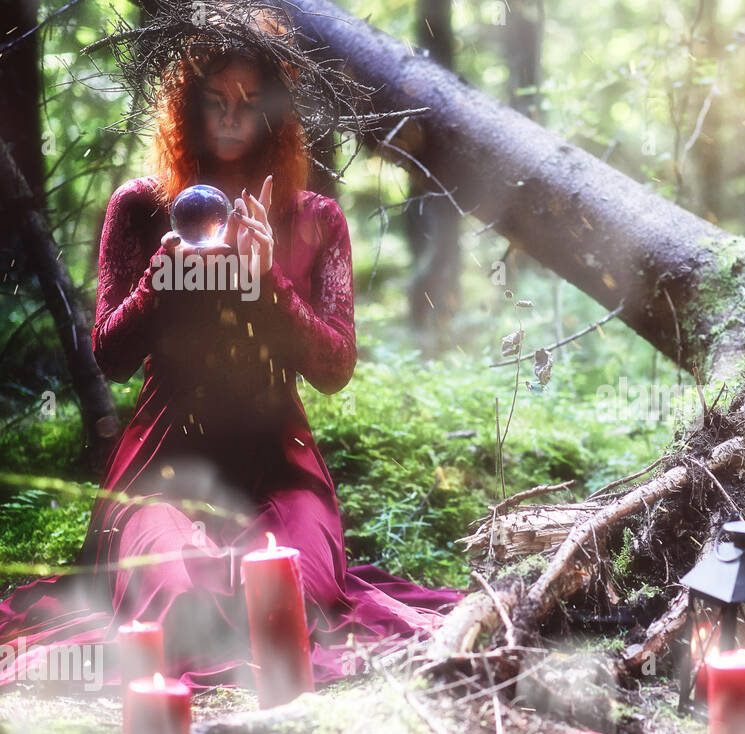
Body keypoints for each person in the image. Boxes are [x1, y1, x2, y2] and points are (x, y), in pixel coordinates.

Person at [0, 18, 466, 691]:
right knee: (180, 599)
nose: (231, 116)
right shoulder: (139, 208)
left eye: (251, 102)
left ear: (275, 112)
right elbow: (110, 356)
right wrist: (158, 285)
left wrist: (269, 282)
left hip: (279, 462)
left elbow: (334, 368)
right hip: (161, 465)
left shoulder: (315, 219)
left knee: (290, 598)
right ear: (190, 107)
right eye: (217, 99)